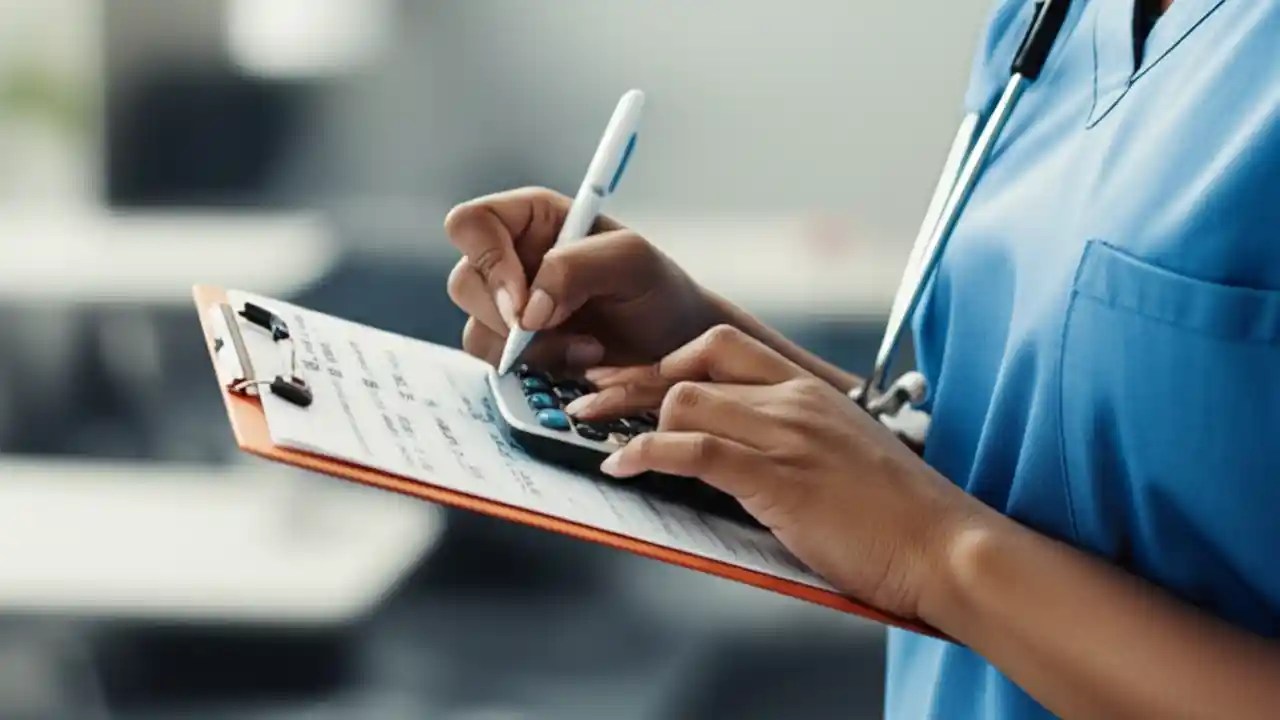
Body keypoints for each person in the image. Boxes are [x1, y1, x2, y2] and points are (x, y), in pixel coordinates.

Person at [441, 0, 1279, 716]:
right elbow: (1020, 467)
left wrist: (934, 553)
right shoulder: (1048, 21)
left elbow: (939, 530)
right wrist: (696, 351)